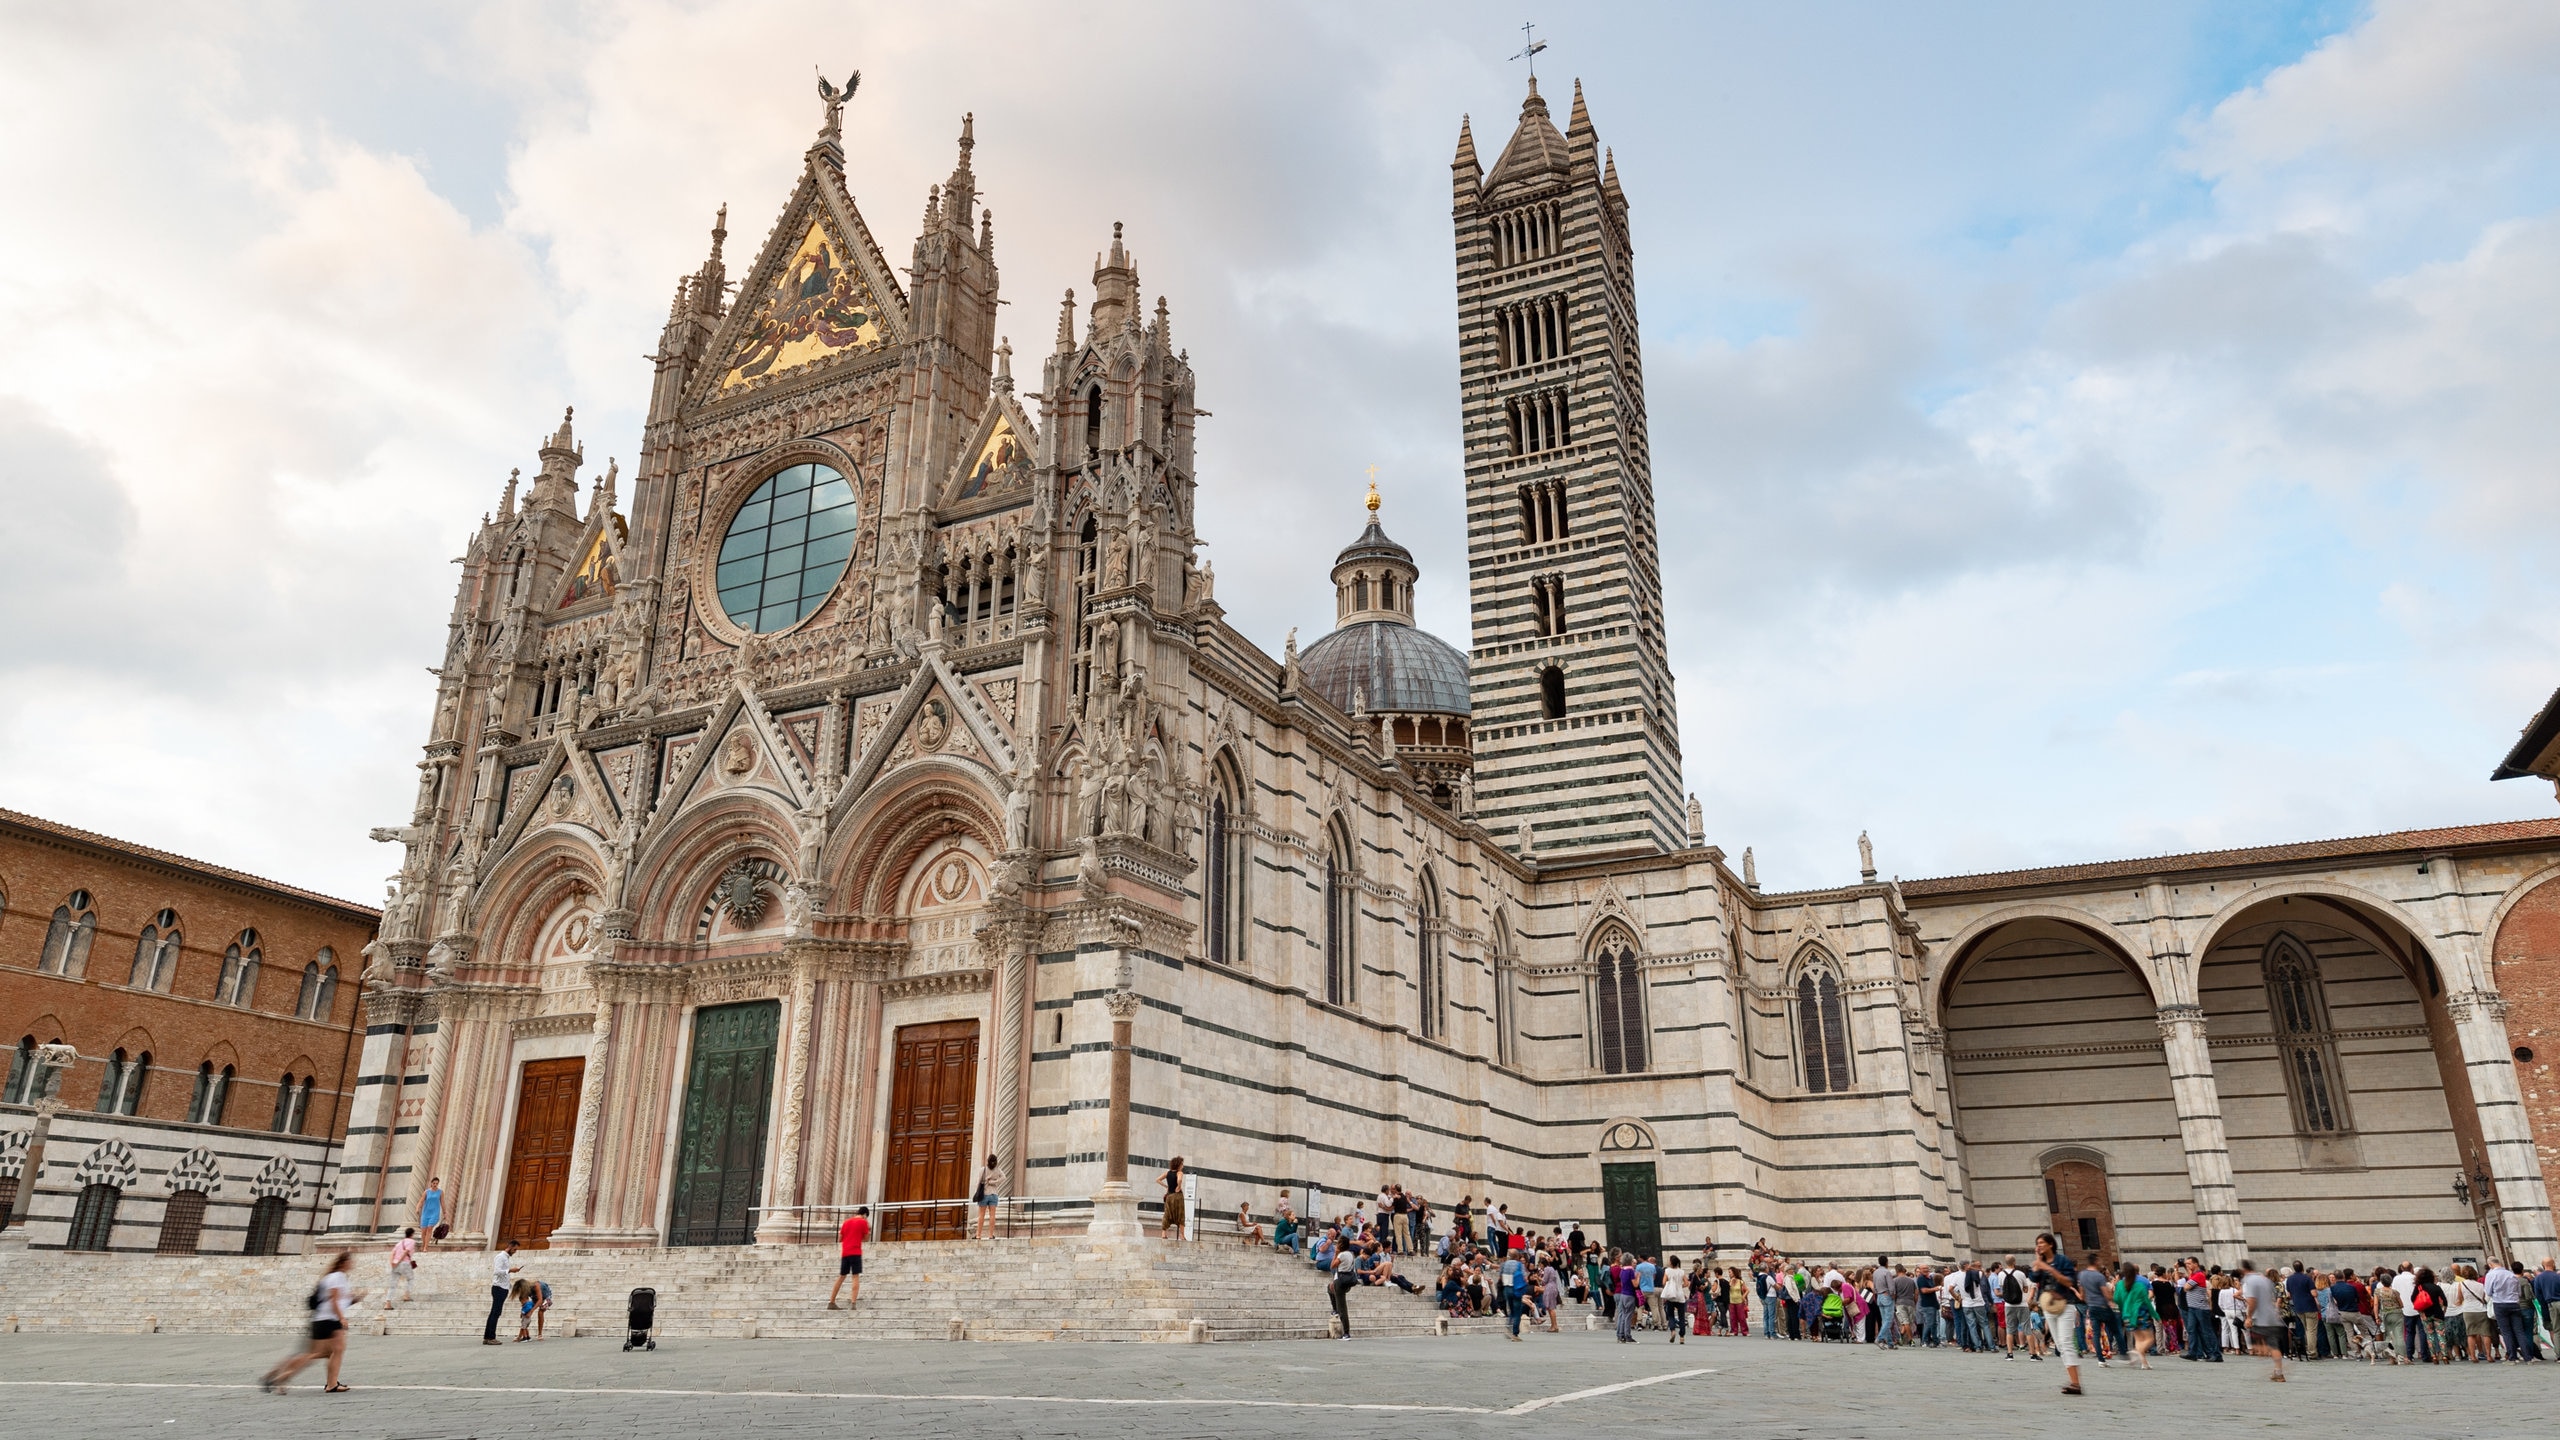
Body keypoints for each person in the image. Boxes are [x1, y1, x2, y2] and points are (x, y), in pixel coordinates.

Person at [263, 1251, 359, 1394]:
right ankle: (284, 1377)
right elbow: (333, 1300)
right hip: (329, 1319)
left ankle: (280, 1375)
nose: (352, 1264)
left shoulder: (333, 1277)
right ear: (343, 1262)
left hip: (322, 1319)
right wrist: (342, 1318)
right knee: (327, 1352)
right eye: (350, 1261)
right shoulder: (337, 1277)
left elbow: (339, 1300)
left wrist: (355, 1299)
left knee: (322, 1353)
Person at [2025, 1232, 2085, 1395]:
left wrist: (2049, 1268)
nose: (2039, 1246)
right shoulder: (2041, 1262)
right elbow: (2034, 1277)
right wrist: (2038, 1263)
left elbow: (2068, 1281)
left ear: (2051, 1244)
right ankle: (2073, 1381)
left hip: (2065, 1304)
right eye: (2037, 1243)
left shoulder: (2062, 1260)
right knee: (2059, 1344)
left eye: (2042, 1243)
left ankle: (2075, 1383)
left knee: (2065, 1342)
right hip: (2049, 1306)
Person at [2239, 1260, 2285, 1382]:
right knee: (2274, 1345)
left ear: (2243, 1270)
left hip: (2260, 1318)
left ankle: (2262, 1352)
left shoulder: (2249, 1281)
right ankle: (2278, 1372)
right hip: (2272, 1317)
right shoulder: (2265, 1280)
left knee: (2257, 1341)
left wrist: (2249, 1316)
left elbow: (2252, 1300)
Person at [2486, 1257, 2531, 1362]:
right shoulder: (2511, 1274)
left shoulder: (2491, 1275)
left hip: (2500, 1303)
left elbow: (2488, 1292)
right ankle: (2528, 1357)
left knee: (2506, 1331)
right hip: (2514, 1304)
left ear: (2490, 1265)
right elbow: (2519, 1292)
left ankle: (2512, 1356)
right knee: (2519, 1331)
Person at [2115, 1261, 2155, 1368]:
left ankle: (2144, 1363)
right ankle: (2136, 1352)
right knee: (2149, 1338)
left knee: (2138, 1339)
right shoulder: (2143, 1281)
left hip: (2127, 1313)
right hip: (2141, 1312)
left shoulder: (2121, 1282)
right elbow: (2150, 1294)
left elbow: (2117, 1299)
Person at [829, 1204, 869, 1310]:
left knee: (842, 1276)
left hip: (845, 1252)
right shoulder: (863, 1222)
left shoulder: (846, 1222)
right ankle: (853, 1303)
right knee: (855, 1276)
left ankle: (832, 1301)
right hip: (855, 1251)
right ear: (865, 1214)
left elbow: (840, 1238)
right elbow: (866, 1238)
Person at [484, 1242, 521, 1345]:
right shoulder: (501, 1257)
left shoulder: (506, 1258)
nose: (515, 1252)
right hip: (498, 1288)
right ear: (510, 1247)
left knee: (496, 1312)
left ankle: (488, 1336)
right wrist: (510, 1270)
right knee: (495, 1312)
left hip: (503, 1287)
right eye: (514, 1250)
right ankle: (490, 1337)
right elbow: (497, 1271)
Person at [1328, 1239, 1359, 1339]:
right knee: (1329, 1289)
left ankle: (1346, 1332)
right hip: (1347, 1280)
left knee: (1343, 1308)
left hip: (1340, 1282)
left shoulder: (1342, 1255)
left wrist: (1335, 1254)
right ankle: (1335, 1309)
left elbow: (1332, 1265)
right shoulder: (1350, 1254)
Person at [1661, 1254, 1689, 1343]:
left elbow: (1663, 1282)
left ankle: (1673, 1330)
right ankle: (1682, 1337)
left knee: (1670, 1315)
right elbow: (1687, 1283)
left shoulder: (1667, 1271)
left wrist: (1670, 1286)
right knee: (1681, 1316)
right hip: (1680, 1295)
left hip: (1671, 1296)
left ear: (1671, 1262)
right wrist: (1680, 1286)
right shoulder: (1681, 1271)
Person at [387, 1227, 418, 1306]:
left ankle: (388, 1303)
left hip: (394, 1264)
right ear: (412, 1234)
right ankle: (406, 1295)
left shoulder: (400, 1242)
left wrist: (392, 1263)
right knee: (411, 1279)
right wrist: (399, 1261)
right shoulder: (412, 1241)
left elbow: (392, 1253)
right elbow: (406, 1252)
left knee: (393, 1284)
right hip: (404, 1263)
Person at [974, 1154, 1003, 1239]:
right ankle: (990, 1235)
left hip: (984, 1195)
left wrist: (977, 1192)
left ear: (987, 1161)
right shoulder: (997, 1170)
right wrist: (994, 1182)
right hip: (994, 1195)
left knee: (981, 1215)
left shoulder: (983, 1170)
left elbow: (978, 1182)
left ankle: (978, 1235)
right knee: (992, 1215)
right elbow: (1004, 1177)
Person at [1159, 1156, 1186, 1240]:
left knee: (1167, 1214)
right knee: (1180, 1215)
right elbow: (1179, 1180)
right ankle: (1182, 1235)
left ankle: (1163, 1234)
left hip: (1169, 1196)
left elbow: (1158, 1180)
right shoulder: (1179, 1173)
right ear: (1178, 1164)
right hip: (1177, 1196)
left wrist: (1166, 1186)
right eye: (1182, 1164)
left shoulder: (1167, 1173)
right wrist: (1179, 1186)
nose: (1183, 1166)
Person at [418, 1177, 444, 1246]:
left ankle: (426, 1247)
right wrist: (417, 1208)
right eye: (434, 1183)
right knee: (423, 1231)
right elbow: (421, 1201)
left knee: (429, 1228)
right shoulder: (426, 1192)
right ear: (431, 1183)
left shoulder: (440, 1192)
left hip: (434, 1213)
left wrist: (445, 1212)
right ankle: (424, 1244)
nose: (435, 1185)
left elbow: (442, 1203)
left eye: (436, 1183)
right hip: (426, 1213)